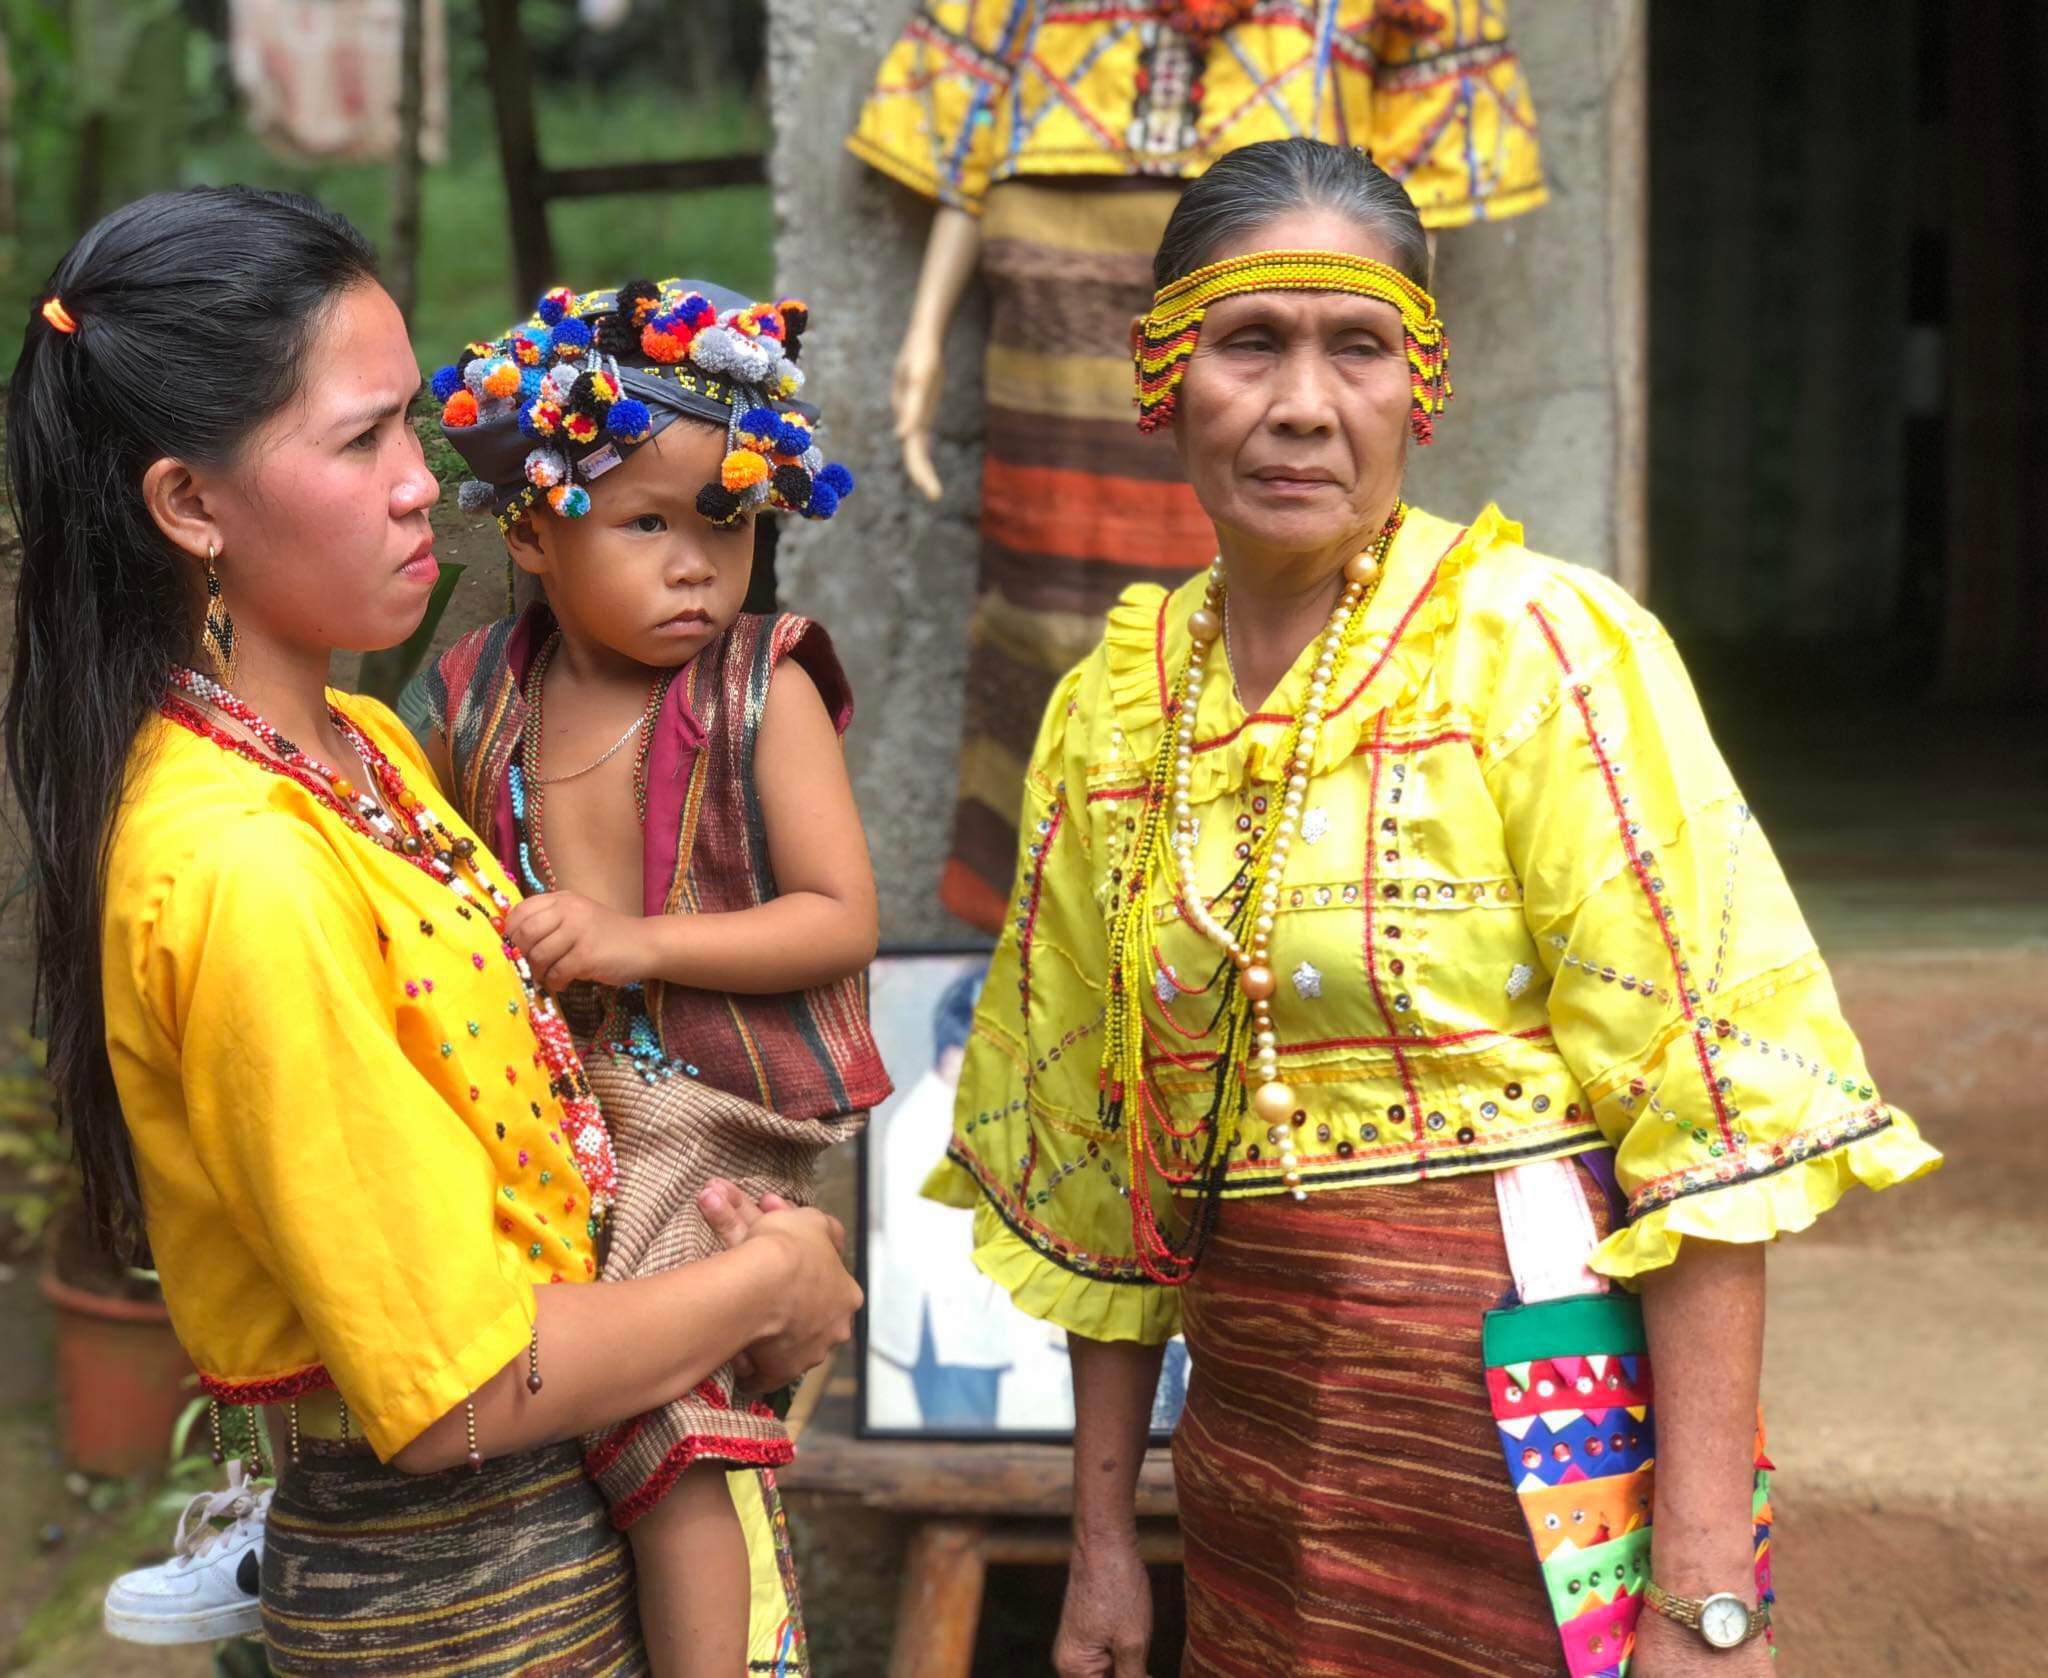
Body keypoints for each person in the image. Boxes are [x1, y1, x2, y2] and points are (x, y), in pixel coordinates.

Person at [931, 138, 1943, 1677]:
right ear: (1162, 374)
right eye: (1249, 344)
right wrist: (1100, 1555)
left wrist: (1702, 1592)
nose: (1303, 404)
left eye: (1360, 350)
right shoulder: (1111, 714)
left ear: (1424, 386)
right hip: (1256, 1445)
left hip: (1528, 1434)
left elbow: (1708, 1133)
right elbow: (1098, 1182)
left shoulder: (1542, 653)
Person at [5, 188, 859, 1676]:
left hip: (553, 1548)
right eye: (361, 440)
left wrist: (728, 1237)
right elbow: (458, 1384)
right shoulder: (241, 866)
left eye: (412, 426)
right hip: (465, 1609)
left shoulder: (358, 746)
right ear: (189, 506)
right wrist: (765, 1283)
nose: (425, 486)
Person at [417, 274, 890, 1678]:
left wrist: (639, 944)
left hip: (710, 1108)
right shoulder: (469, 692)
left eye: (725, 522)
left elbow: (839, 917)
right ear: (533, 533)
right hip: (542, 1102)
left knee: (665, 1399)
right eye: (645, 524)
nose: (697, 563)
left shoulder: (761, 686)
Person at [847, 0, 1547, 930]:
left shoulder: (1559, 650)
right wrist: (924, 334)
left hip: (1297, 242)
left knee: (1270, 595)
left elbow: (1419, 168)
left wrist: (1378, 339)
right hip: (1053, 269)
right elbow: (976, 99)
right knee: (1048, 610)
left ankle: (1282, 914)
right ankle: (1057, 922)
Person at [868, 966, 1016, 1428]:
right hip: (951, 1325)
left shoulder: (944, 1110)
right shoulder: (931, 1120)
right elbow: (935, 1244)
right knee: (966, 1452)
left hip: (953, 1324)